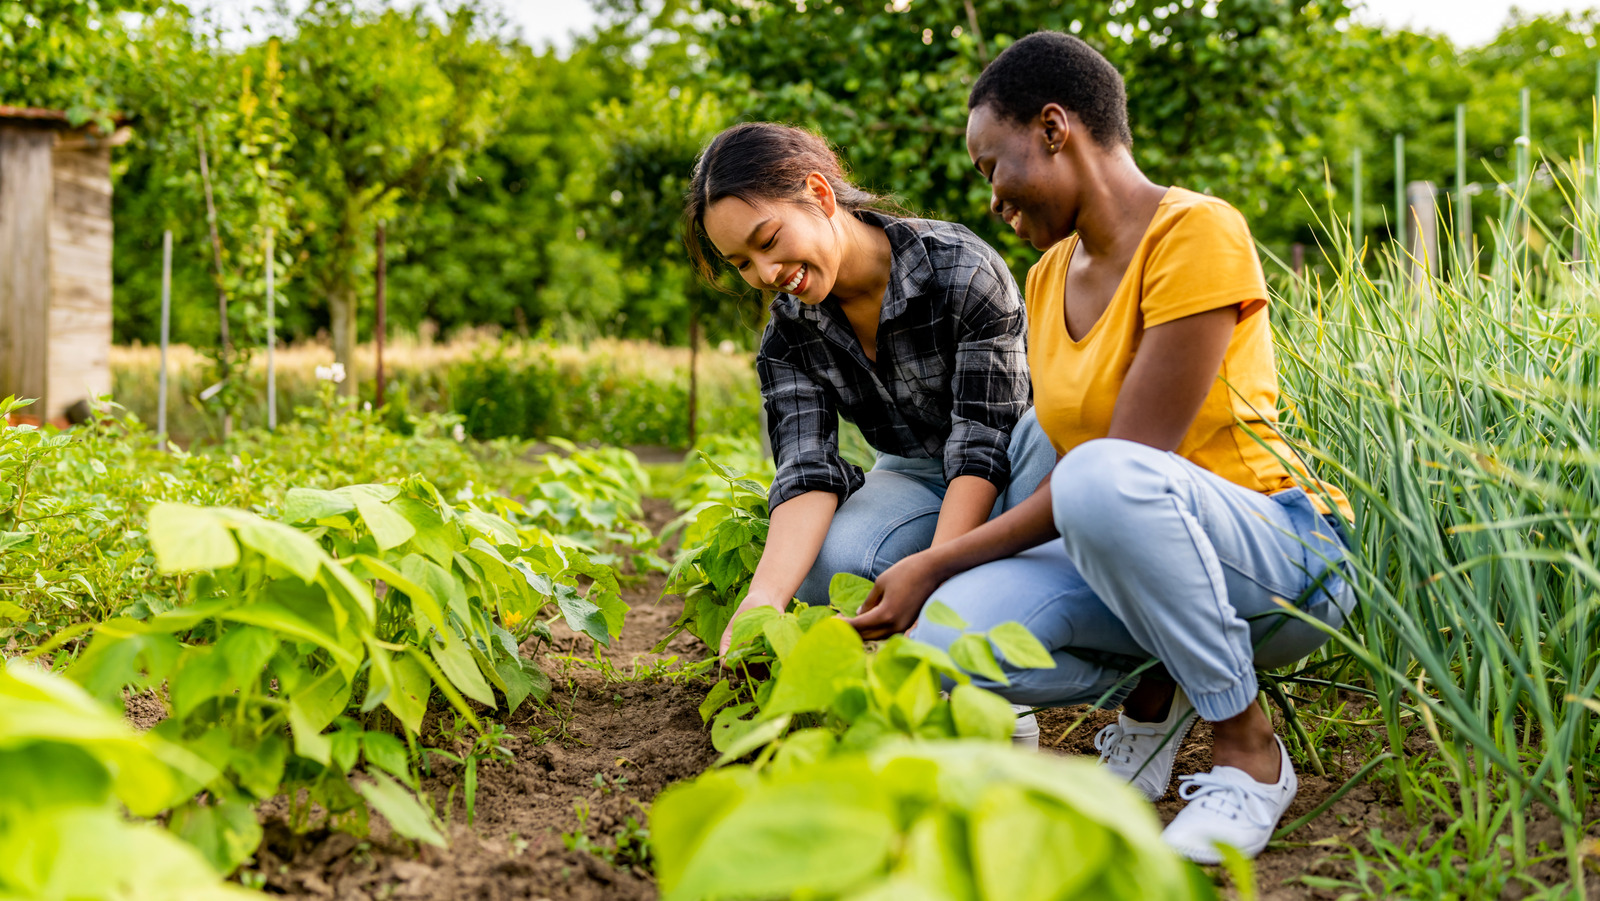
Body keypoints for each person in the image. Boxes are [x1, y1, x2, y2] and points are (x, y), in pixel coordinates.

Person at [846, 33, 1356, 864]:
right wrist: (946, 584)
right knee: (945, 635)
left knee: (1101, 478)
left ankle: (1248, 750)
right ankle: (1156, 703)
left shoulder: (1196, 231)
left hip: (1283, 555)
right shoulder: (1047, 278)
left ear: (1054, 128)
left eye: (992, 167)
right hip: (1137, 564)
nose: (993, 200)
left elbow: (1128, 460)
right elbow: (1061, 459)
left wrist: (936, 558)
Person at [682, 123, 1056, 678]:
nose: (765, 274)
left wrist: (934, 578)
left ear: (821, 194)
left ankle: (991, 666)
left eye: (767, 241)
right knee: (825, 570)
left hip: (1021, 459)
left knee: (978, 561)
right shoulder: (788, 337)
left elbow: (982, 445)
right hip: (915, 467)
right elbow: (806, 469)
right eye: (741, 264)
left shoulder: (959, 269)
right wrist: (764, 598)